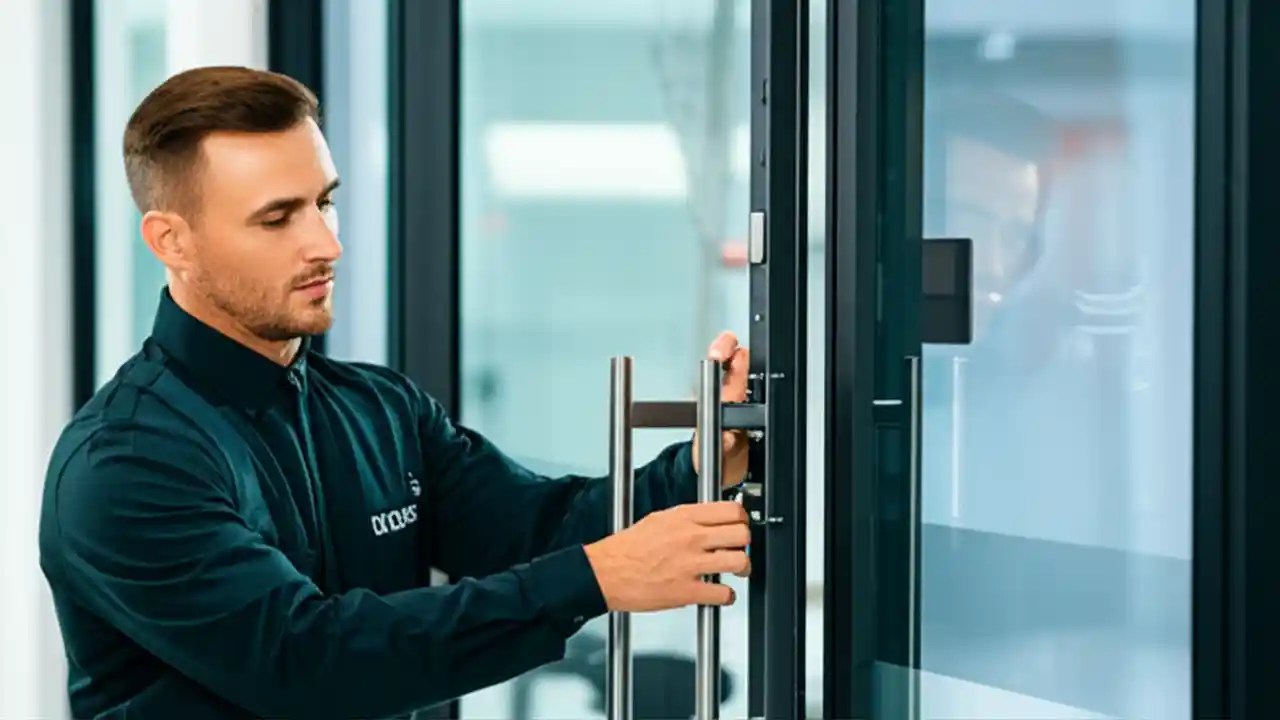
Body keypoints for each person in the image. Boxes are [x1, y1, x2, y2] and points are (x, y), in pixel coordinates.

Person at [38, 66, 753, 719]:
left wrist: (699, 465)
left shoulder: (380, 410)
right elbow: (310, 663)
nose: (326, 244)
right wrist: (591, 579)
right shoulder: (124, 464)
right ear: (171, 241)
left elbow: (539, 531)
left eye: (325, 203)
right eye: (278, 218)